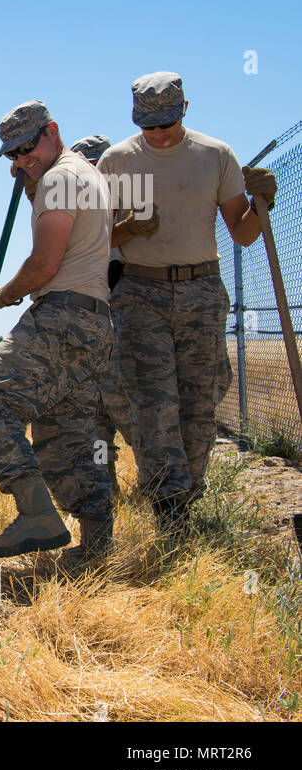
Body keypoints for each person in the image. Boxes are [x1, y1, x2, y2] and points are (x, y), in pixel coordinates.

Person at [97, 72, 275, 534]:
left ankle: (187, 496)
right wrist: (130, 229)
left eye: (167, 123)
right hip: (139, 293)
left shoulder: (215, 156)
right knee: (154, 403)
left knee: (199, 404)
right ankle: (168, 506)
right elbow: (92, 241)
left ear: (186, 109)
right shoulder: (116, 161)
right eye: (148, 125)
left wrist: (260, 205)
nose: (157, 133)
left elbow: (244, 233)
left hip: (201, 290)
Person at [0, 100, 115, 562]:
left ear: (52, 131)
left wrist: (4, 294)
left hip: (63, 317)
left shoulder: (57, 178)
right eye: (11, 154)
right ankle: (96, 544)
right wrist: (33, 181)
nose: (20, 159)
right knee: (65, 436)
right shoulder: (83, 175)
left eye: (28, 146)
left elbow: (46, 262)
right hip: (94, 323)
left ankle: (36, 516)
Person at [70, 134, 135, 493]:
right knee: (95, 415)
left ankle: (162, 484)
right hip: (90, 316)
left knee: (130, 406)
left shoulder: (129, 195)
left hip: (128, 309)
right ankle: (104, 485)